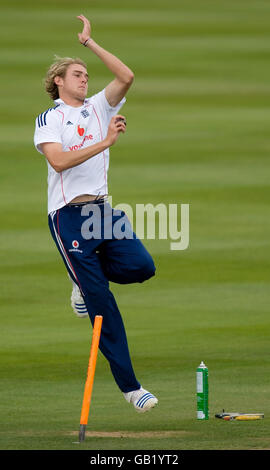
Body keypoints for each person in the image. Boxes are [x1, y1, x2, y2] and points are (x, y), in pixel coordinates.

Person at [34, 15, 158, 413]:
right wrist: (105, 142)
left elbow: (126, 75)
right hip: (68, 216)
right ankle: (131, 388)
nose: (85, 78)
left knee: (142, 266)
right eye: (77, 74)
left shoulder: (98, 107)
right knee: (102, 303)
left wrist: (89, 44)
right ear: (58, 81)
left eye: (86, 74)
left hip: (103, 211)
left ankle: (82, 282)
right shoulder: (51, 119)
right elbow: (58, 162)